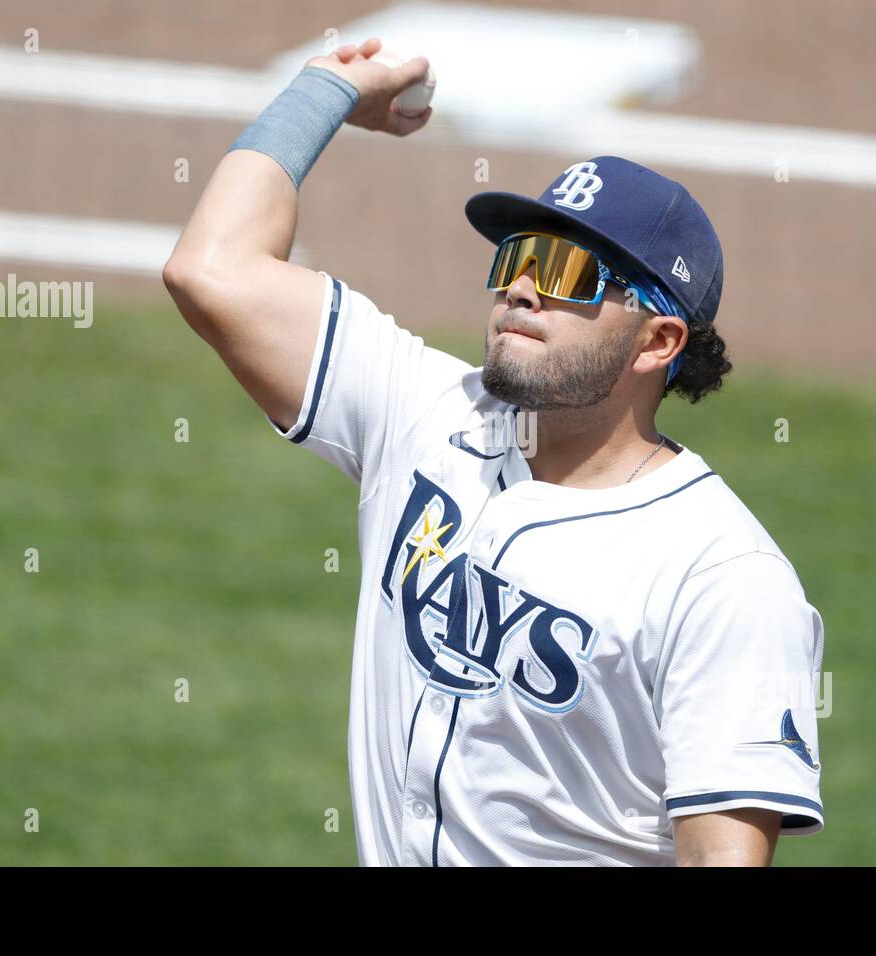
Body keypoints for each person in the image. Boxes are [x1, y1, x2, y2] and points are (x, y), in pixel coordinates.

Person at [163, 37, 825, 867]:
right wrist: (327, 89)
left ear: (657, 341)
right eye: (518, 256)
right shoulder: (422, 413)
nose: (522, 286)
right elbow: (210, 270)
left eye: (567, 269)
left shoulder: (722, 579)